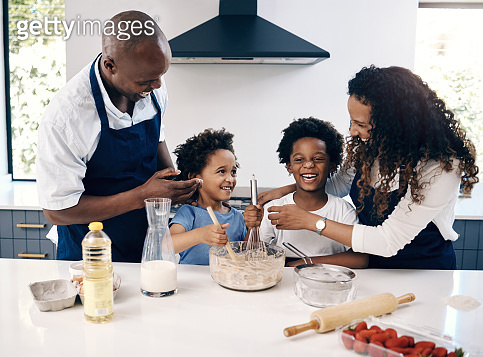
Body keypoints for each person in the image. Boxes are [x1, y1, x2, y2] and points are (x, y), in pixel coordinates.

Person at [258, 65, 479, 270]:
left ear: (394, 126)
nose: (353, 132)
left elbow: (387, 241)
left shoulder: (440, 167)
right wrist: (285, 191)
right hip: (372, 268)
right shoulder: (368, 148)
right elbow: (335, 186)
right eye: (352, 122)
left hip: (425, 272)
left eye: (361, 124)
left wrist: (311, 221)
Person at [36, 11, 201, 263]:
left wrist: (173, 178)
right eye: (147, 81)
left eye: (161, 76)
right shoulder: (66, 117)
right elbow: (57, 211)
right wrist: (141, 196)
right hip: (88, 250)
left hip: (144, 239)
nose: (157, 85)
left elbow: (156, 135)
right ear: (110, 66)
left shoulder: (151, 85)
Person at [244, 118, 368, 268]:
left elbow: (361, 259)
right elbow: (250, 256)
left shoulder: (343, 210)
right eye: (299, 159)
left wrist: (305, 263)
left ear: (332, 166)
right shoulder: (274, 208)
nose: (309, 164)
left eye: (318, 158)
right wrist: (252, 227)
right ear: (289, 167)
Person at [169, 128, 246, 265]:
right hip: (193, 284)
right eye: (222, 171)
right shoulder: (189, 213)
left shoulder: (238, 217)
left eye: (233, 172)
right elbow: (166, 246)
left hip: (226, 282)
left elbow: (246, 253)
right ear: (195, 178)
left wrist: (252, 227)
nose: (230, 179)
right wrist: (200, 235)